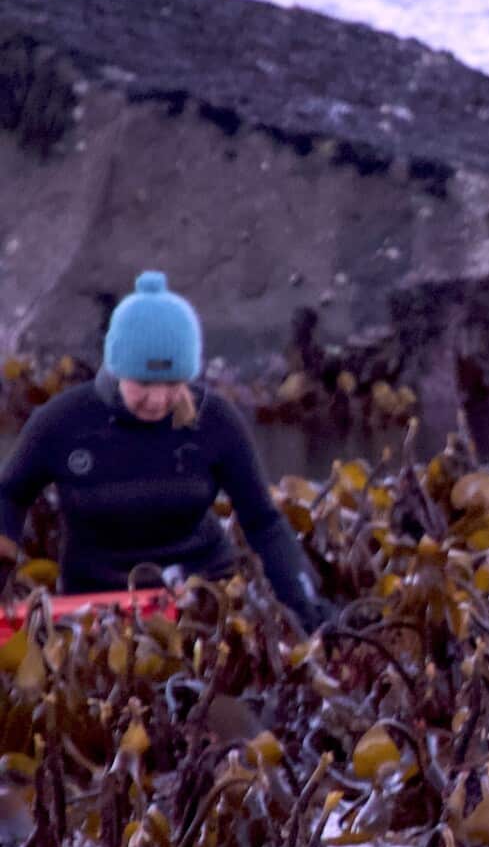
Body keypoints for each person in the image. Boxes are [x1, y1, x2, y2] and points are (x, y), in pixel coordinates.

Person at [0, 271, 327, 632]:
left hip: (202, 604)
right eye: (143, 383)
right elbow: (10, 494)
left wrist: (304, 607)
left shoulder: (215, 421)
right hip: (93, 609)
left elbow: (263, 522)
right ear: (117, 369)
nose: (157, 400)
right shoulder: (62, 422)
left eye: (172, 384)